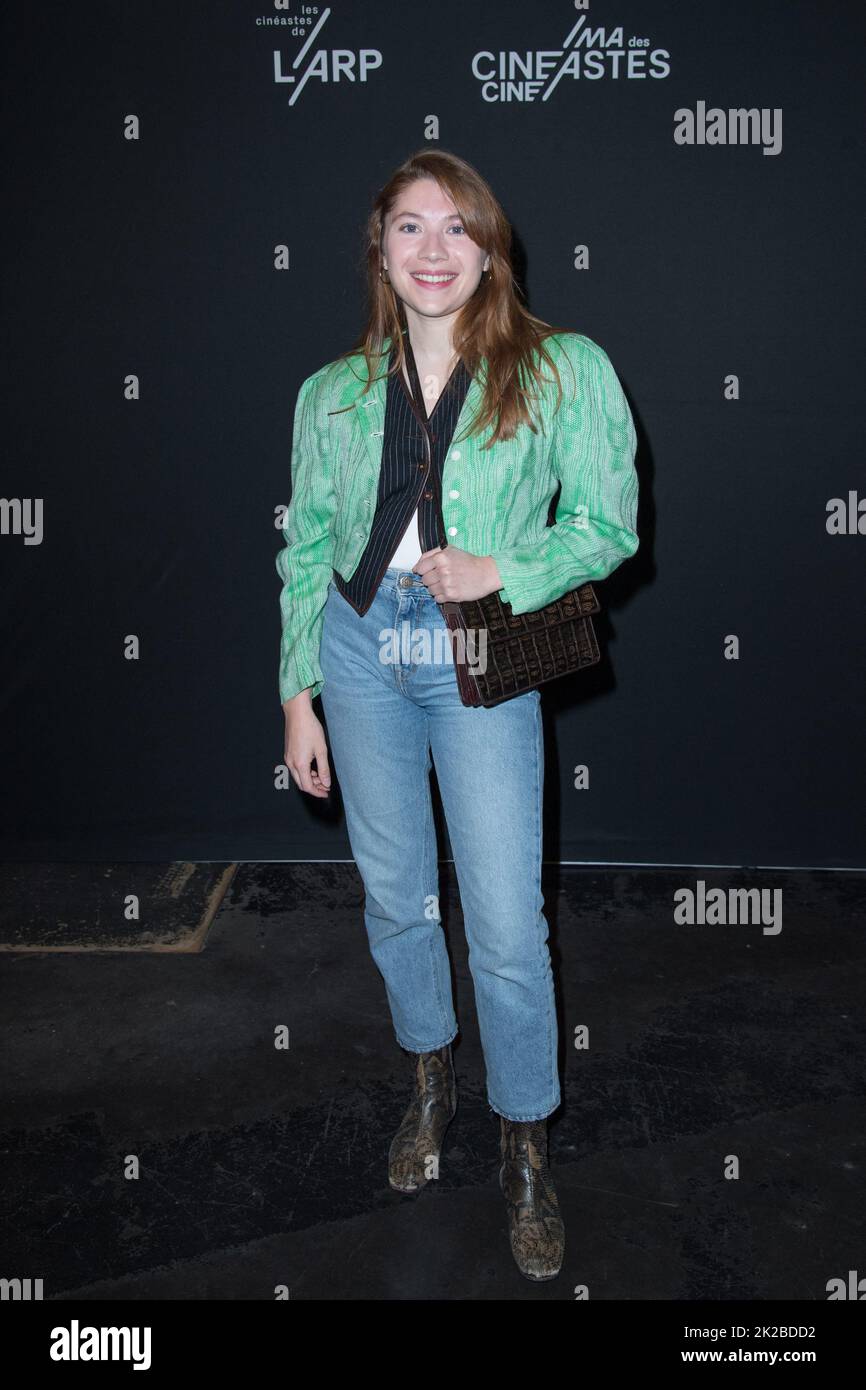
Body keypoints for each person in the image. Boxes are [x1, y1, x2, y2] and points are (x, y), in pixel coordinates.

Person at [276, 149, 639, 1281]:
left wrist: (503, 567)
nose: (433, 250)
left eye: (456, 229)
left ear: (488, 248)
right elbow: (299, 553)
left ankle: (523, 1142)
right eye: (408, 229)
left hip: (475, 647)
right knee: (393, 896)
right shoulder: (328, 392)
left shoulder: (559, 367)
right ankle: (430, 1084)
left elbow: (608, 524)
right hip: (354, 641)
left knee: (504, 922)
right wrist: (297, 695)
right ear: (380, 250)